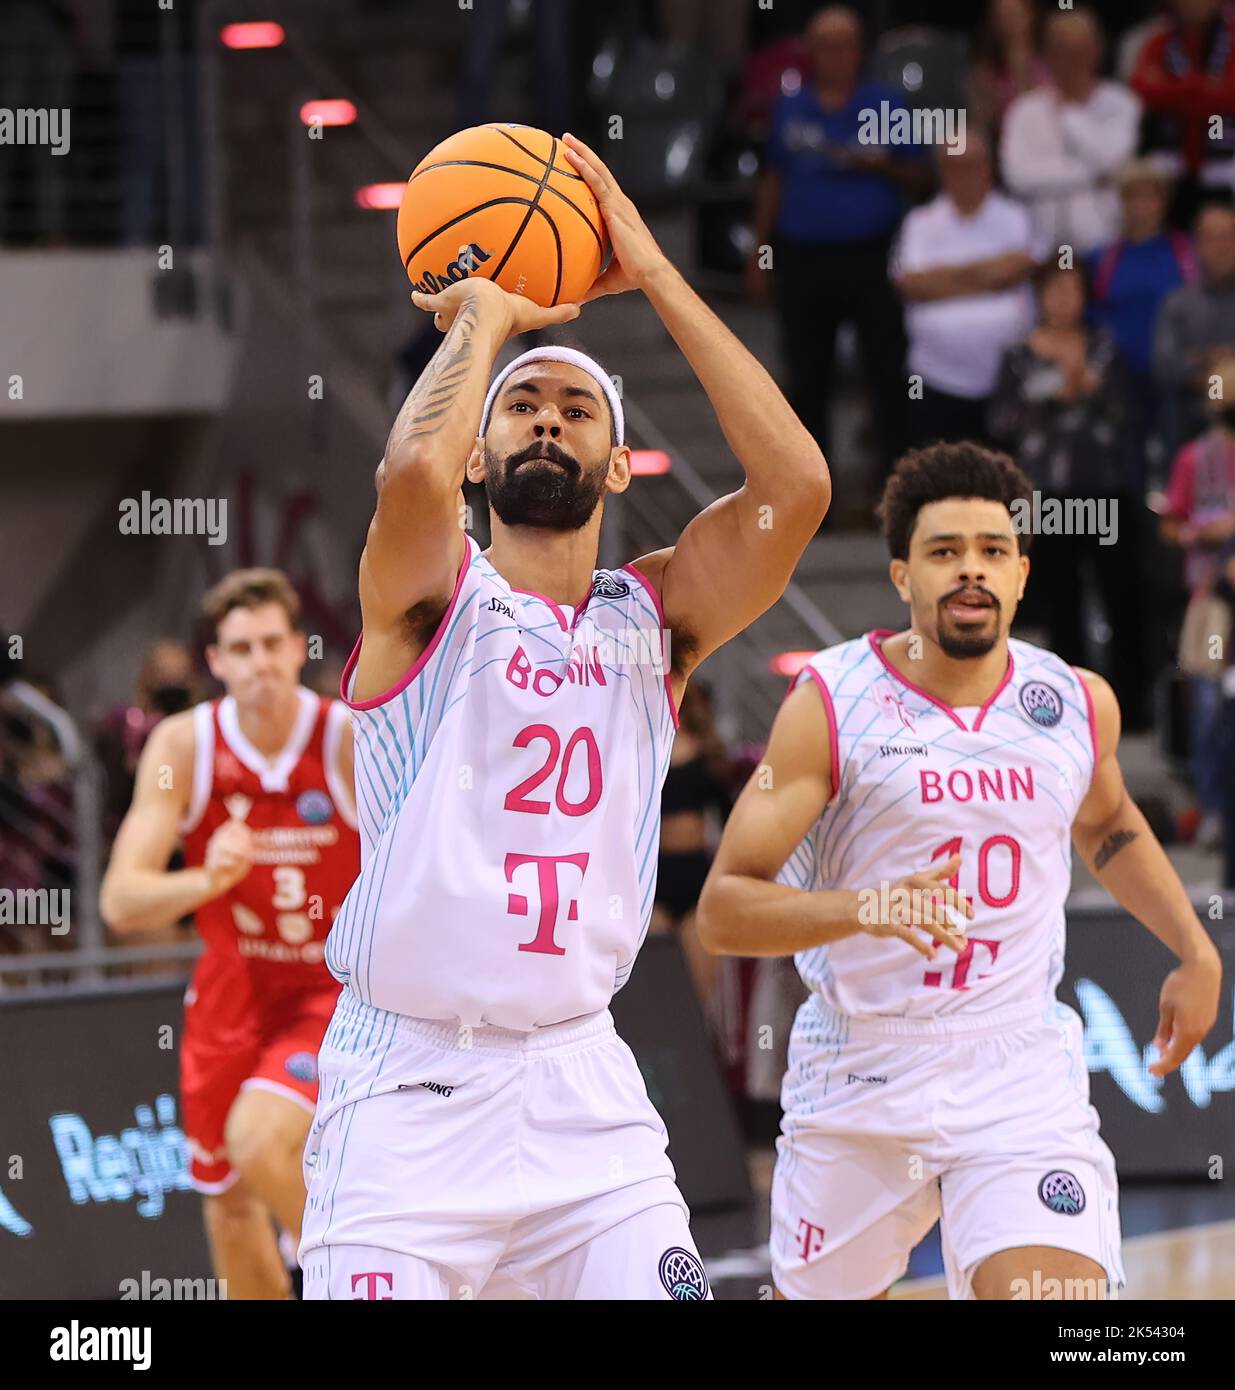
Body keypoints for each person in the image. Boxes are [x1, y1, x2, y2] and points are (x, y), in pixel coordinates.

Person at [297, 130, 830, 1301]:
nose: (546, 422)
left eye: (575, 410)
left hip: (583, 1086)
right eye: (521, 409)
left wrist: (651, 273)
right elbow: (405, 483)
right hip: (409, 1093)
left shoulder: (658, 619)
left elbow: (796, 491)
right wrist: (485, 316)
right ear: (479, 460)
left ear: (622, 460)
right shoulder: (432, 599)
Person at [696, 441, 1222, 1300]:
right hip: (861, 1068)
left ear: (1021, 573)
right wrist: (865, 907)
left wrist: (1193, 951)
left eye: (989, 552)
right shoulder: (829, 703)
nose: (968, 572)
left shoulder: (1074, 701)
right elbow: (723, 910)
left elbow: (1108, 823)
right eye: (943, 553)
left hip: (1014, 1067)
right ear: (902, 576)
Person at [99, 570, 360, 1299]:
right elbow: (121, 900)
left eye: (273, 643)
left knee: (257, 1137)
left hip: (328, 993)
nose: (261, 663)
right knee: (228, 1204)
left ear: (297, 646)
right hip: (230, 993)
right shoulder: (182, 747)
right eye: (240, 649)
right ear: (215, 661)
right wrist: (204, 882)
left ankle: (361, 1276)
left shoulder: (343, 736)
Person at [748, 4, 926, 479]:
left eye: (843, 45)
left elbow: (922, 178)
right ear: (811, 53)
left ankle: (894, 486)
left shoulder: (886, 104)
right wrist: (760, 253)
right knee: (808, 379)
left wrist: (880, 164)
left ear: (858, 50)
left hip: (874, 255)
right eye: (823, 46)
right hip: (803, 258)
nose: (834, 55)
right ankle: (814, 495)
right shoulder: (791, 105)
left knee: (887, 374)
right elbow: (772, 180)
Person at [989, 263, 1147, 725]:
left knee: (1121, 595)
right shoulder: (1018, 355)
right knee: (1061, 599)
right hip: (1047, 496)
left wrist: (1093, 390)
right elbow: (1001, 421)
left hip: (1104, 489)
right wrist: (1058, 389)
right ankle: (1067, 709)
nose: (1062, 298)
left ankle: (1128, 708)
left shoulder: (1104, 348)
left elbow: (1129, 412)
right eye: (1053, 289)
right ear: (1039, 295)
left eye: (1071, 289)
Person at [892, 132, 1039, 447]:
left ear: (989, 167)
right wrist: (987, 274)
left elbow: (1016, 269)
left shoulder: (1014, 216)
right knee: (940, 480)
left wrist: (944, 277)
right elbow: (914, 285)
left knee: (1003, 481)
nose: (965, 175)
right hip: (936, 378)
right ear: (942, 171)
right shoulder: (920, 221)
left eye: (973, 165)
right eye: (955, 166)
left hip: (1006, 381)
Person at [1159, 357, 1235, 848]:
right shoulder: (1194, 458)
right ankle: (1214, 808)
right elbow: (1169, 524)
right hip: (1214, 602)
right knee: (1208, 704)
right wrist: (1197, 533)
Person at [1086, 158, 1196, 483]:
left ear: (1163, 203)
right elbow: (1088, 315)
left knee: (1176, 467)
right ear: (1121, 203)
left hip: (1174, 382)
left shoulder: (1186, 253)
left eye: (1149, 197)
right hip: (1121, 383)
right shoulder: (1102, 259)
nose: (1140, 207)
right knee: (1126, 469)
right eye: (1132, 197)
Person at [1001, 9, 1141, 257]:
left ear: (1096, 52)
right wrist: (1092, 178)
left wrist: (1070, 112)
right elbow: (1018, 176)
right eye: (1061, 51)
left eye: (1079, 51)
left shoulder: (1122, 103)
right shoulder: (1024, 110)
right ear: (1047, 56)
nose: (1071, 61)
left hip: (1105, 244)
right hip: (1043, 250)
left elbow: (1112, 161)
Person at [651, 680, 734, 1016]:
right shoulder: (648, 749)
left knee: (701, 993)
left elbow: (729, 818)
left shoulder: (708, 756)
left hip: (695, 873)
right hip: (656, 874)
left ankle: (704, 1057)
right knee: (653, 983)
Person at [1131, 0, 1235, 221]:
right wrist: (1202, 86)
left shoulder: (1231, 37)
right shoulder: (1159, 41)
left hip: (1226, 164)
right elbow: (1143, 91)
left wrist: (1174, 90)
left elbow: (1230, 97)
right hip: (1175, 167)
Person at [1154, 201, 1235, 451]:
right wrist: (1217, 368)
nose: (1221, 247)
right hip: (1190, 422)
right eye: (1212, 238)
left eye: (1228, 237)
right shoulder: (1177, 303)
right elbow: (1165, 365)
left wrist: (1201, 359)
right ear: (1197, 245)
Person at [968, 0, 1048, 136]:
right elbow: (980, 126)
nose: (1009, 23)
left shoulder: (1050, 60)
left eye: (1014, 15)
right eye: (1002, 16)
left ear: (1031, 15)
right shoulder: (986, 71)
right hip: (1006, 143)